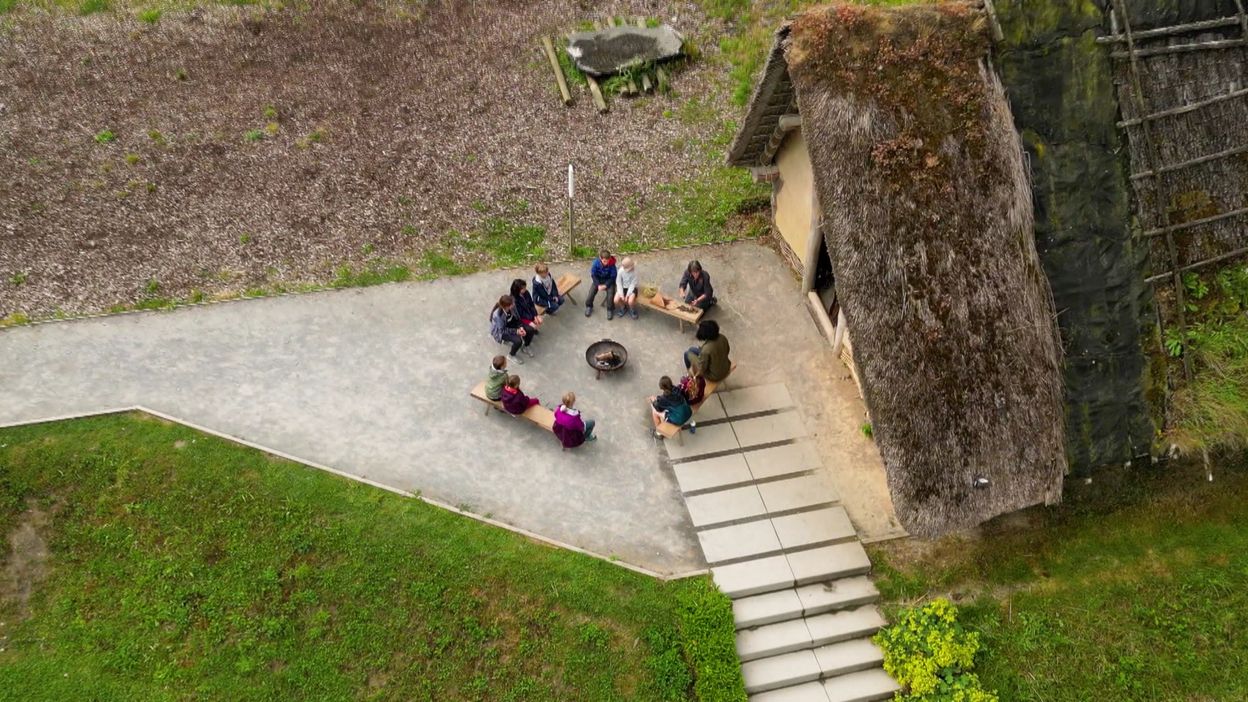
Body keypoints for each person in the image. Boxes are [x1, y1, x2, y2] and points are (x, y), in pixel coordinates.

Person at [489, 294, 537, 364]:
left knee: (531, 329)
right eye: (512, 304)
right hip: (501, 331)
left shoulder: (512, 308)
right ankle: (511, 355)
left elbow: (517, 318)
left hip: (511, 324)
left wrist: (520, 327)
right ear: (507, 306)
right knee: (518, 341)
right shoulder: (498, 316)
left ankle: (526, 346)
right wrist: (516, 331)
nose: (514, 304)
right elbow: (502, 330)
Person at [585, 249, 617, 319]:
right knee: (591, 293)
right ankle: (589, 306)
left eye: (607, 261)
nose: (606, 263)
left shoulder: (612, 264)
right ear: (600, 258)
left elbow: (613, 277)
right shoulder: (595, 263)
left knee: (611, 295)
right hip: (598, 280)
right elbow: (593, 275)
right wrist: (598, 285)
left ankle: (610, 309)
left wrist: (606, 285)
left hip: (608, 281)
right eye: (604, 261)